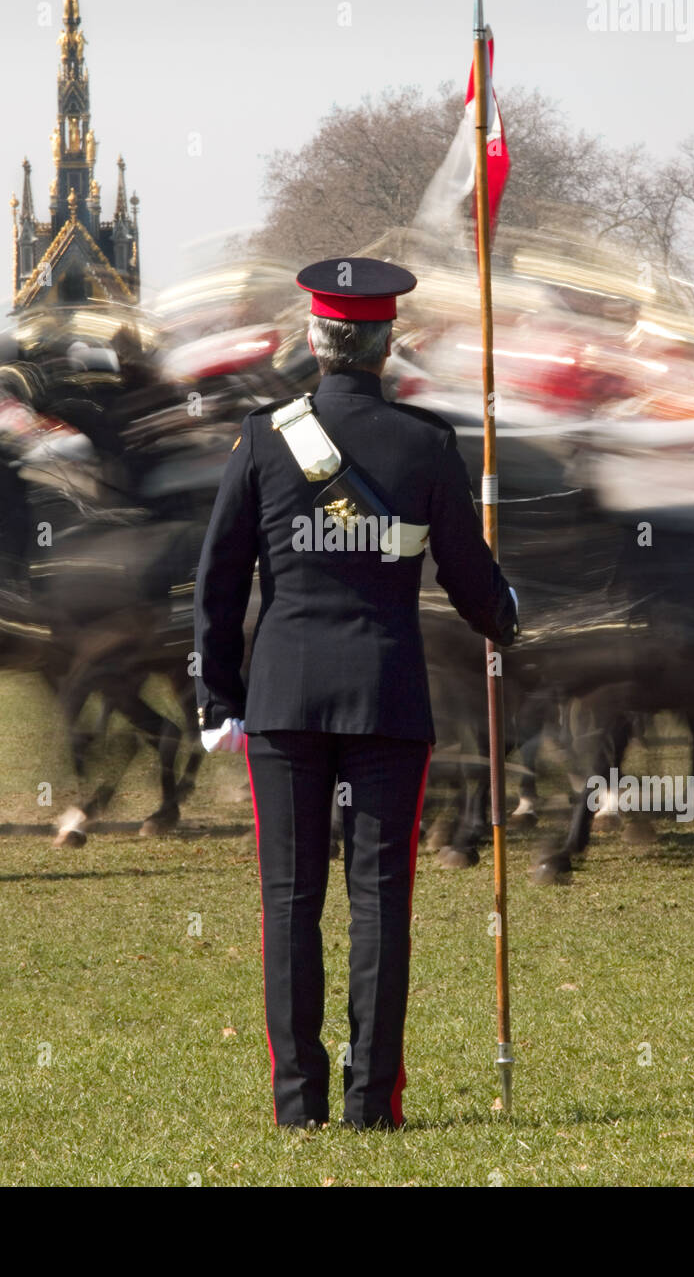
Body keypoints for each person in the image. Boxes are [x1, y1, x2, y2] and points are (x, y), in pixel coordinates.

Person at [193, 257, 518, 1131]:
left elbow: (218, 583)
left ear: (315, 340)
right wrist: (505, 618)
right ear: (387, 343)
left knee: (291, 901)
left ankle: (298, 1106)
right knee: (381, 903)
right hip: (387, 694)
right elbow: (470, 577)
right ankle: (375, 1103)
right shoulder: (426, 444)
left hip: (285, 699)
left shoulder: (263, 439)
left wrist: (218, 701)